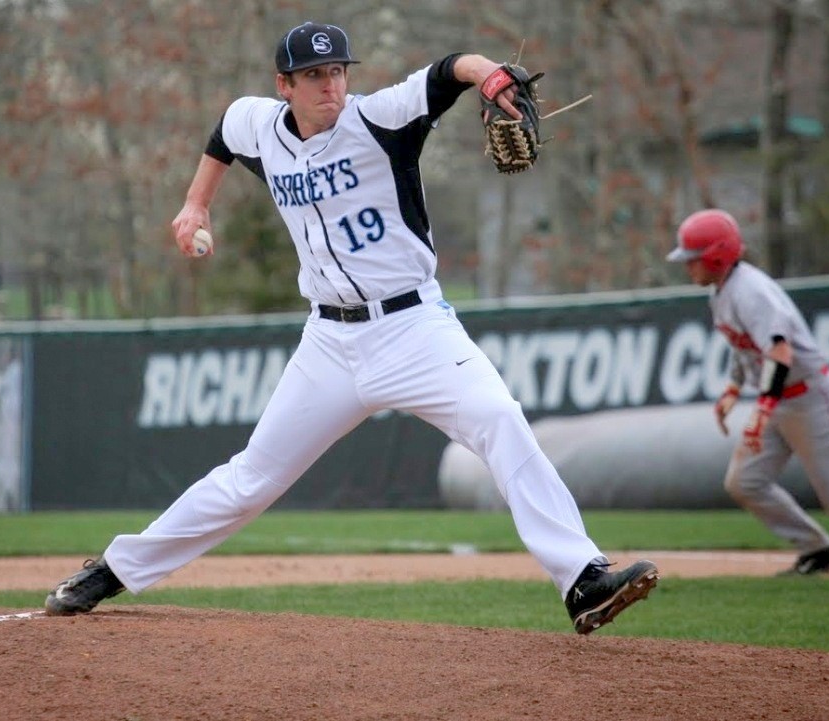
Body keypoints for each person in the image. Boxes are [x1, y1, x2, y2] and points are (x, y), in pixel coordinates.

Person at [45, 21, 658, 633]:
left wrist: (491, 75)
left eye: (338, 71)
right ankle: (113, 571)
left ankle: (581, 578)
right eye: (314, 75)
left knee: (500, 420)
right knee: (251, 480)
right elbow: (222, 136)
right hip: (329, 346)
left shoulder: (380, 120)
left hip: (414, 329)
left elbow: (449, 68)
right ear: (283, 85)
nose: (330, 85)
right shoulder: (257, 124)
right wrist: (195, 203)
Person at [666, 208, 829, 574]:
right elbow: (745, 348)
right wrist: (733, 389)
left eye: (693, 259)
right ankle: (817, 549)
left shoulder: (752, 291)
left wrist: (762, 410)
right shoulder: (721, 292)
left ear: (715, 256)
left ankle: (818, 547)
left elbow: (780, 351)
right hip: (781, 400)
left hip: (811, 398)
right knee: (745, 482)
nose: (688, 267)